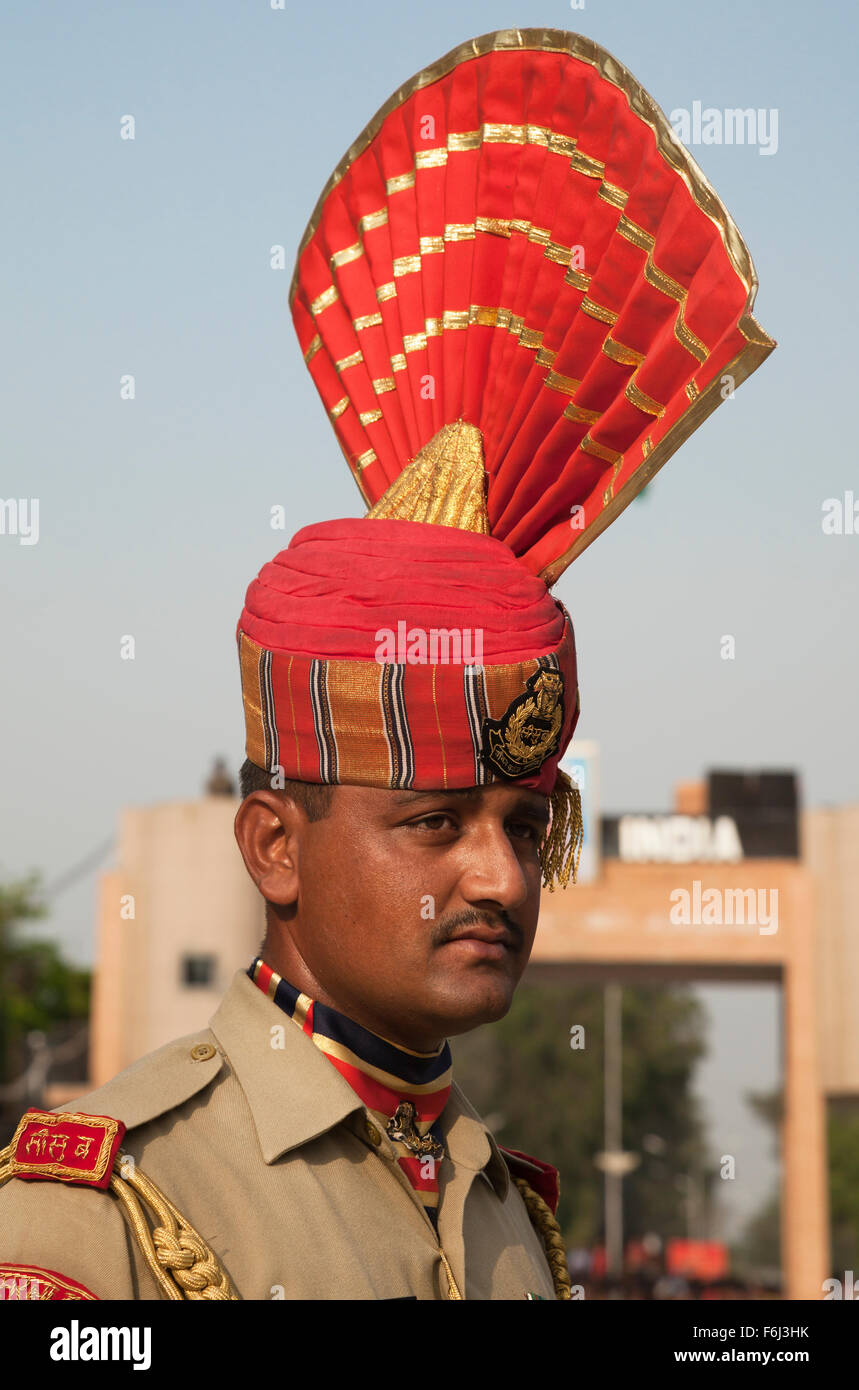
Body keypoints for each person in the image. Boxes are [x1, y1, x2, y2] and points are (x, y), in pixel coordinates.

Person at [0, 27, 773, 1301]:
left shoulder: (506, 1208)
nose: (500, 875)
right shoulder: (106, 1201)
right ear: (273, 845)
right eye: (433, 823)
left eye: (526, 826)